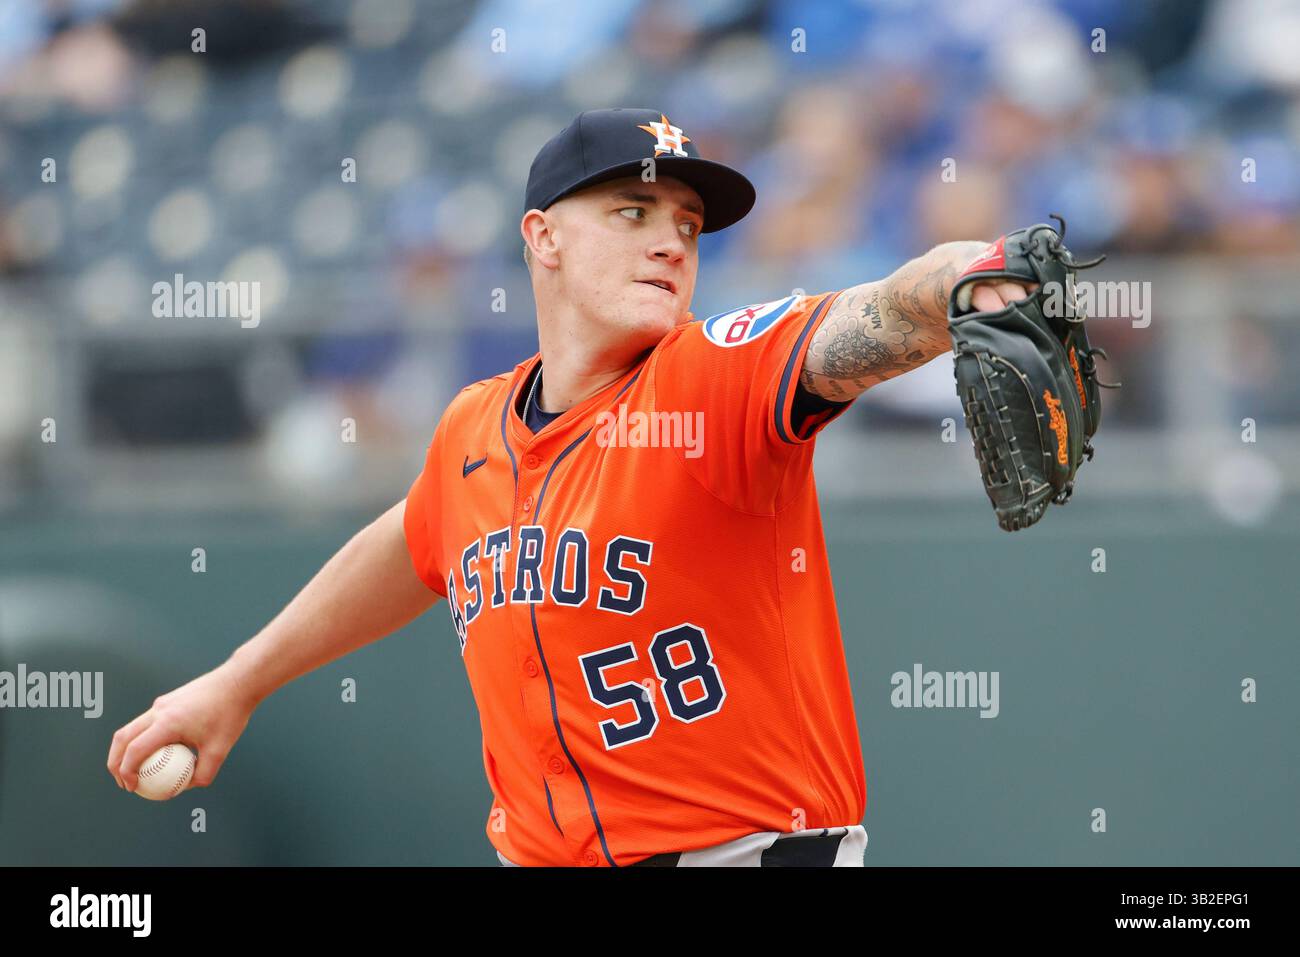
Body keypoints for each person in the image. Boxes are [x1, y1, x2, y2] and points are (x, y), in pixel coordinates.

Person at [106, 108, 1031, 867]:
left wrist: (967, 279)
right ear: (542, 237)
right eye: (633, 211)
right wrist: (238, 681)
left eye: (686, 225)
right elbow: (413, 542)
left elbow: (871, 314)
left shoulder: (714, 380)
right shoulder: (475, 428)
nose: (671, 241)